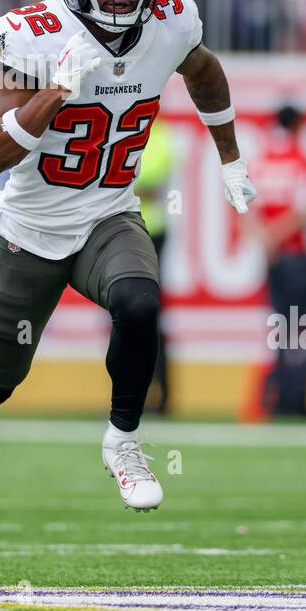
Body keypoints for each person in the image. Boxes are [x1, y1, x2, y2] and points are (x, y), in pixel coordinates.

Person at [0, 0, 256, 574]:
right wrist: (51, 95)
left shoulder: (171, 19)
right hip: (30, 229)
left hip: (108, 213)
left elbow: (204, 71)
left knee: (139, 303)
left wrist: (230, 157)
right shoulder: (30, 34)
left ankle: (123, 439)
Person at [249, 103, 306, 418]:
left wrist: (264, 240)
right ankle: (295, 399)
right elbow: (305, 211)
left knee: (281, 328)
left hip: (271, 259)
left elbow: (243, 209)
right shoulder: (301, 161)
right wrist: (278, 237)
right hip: (294, 257)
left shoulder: (259, 163)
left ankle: (276, 396)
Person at [134, 116, 177, 414]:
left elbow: (151, 187)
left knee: (147, 316)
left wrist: (105, 186)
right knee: (124, 319)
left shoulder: (159, 137)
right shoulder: (130, 129)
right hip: (121, 231)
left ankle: (159, 396)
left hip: (149, 233)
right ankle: (131, 395)